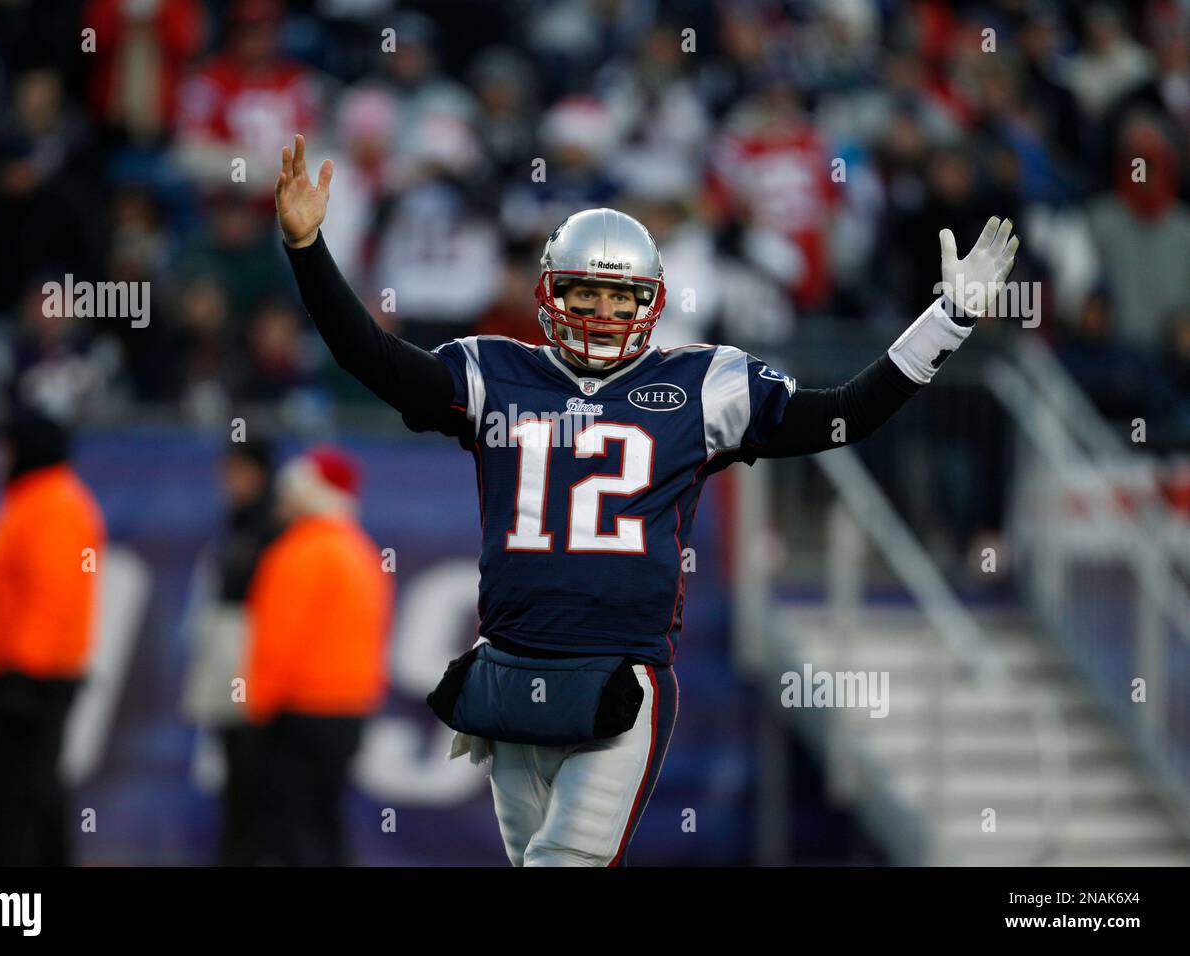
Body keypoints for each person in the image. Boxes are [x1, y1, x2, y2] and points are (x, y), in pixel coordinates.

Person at [275, 135, 1019, 866]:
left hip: (619, 681)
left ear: (652, 301)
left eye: (618, 295)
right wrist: (308, 250)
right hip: (509, 673)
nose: (600, 312)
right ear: (549, 294)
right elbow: (366, 354)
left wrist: (945, 319)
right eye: (584, 293)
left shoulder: (701, 386)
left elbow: (843, 414)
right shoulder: (492, 372)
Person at [0, 411, 106, 866]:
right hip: (21, 675)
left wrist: (22, 672)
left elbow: (50, 593)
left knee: (23, 797)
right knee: (23, 792)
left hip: (31, 680)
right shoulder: (34, 502)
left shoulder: (53, 505)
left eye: (6, 446)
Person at [244, 445, 392, 865]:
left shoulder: (296, 554)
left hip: (300, 709)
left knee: (293, 830)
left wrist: (260, 708)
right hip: (349, 708)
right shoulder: (361, 552)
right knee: (325, 822)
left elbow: (278, 643)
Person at [180, 437, 281, 865]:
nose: (228, 481)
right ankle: (238, 852)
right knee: (234, 763)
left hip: (256, 653)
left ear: (258, 473)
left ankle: (251, 853)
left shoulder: (274, 526)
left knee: (254, 765)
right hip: (230, 650)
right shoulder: (237, 521)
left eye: (237, 470)